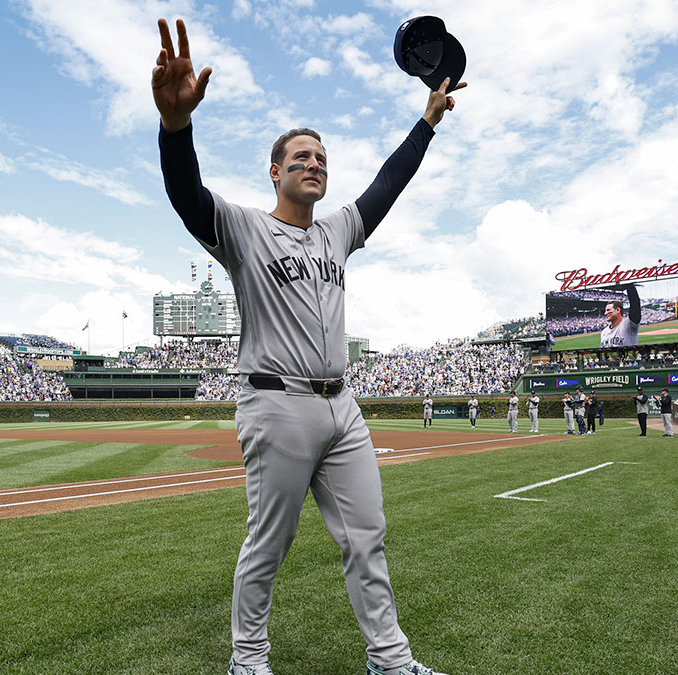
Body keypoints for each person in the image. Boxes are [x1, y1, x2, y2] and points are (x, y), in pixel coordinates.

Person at [152, 18, 463, 675]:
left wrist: (427, 120)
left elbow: (387, 184)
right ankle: (247, 658)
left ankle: (390, 659)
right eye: (301, 158)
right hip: (277, 405)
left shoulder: (337, 232)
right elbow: (186, 195)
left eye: (321, 160)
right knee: (270, 541)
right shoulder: (241, 228)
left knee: (367, 538)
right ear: (275, 172)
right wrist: (176, 128)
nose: (314, 166)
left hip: (342, 410)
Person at [598, 284, 641, 349]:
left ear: (617, 310)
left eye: (608, 310)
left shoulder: (628, 325)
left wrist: (629, 285)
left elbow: (635, 304)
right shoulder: (604, 332)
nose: (605, 313)